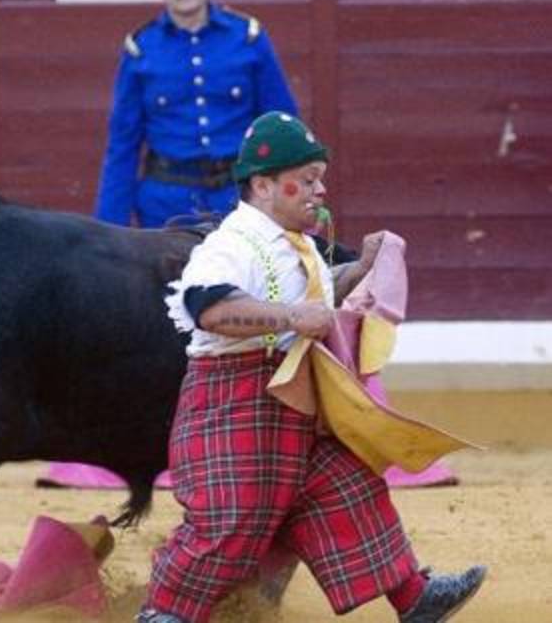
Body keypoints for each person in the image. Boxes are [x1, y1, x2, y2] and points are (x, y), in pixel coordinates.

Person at [137, 111, 487, 623]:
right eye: (305, 180)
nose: (319, 191)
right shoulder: (231, 244)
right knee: (233, 517)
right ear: (262, 185)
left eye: (319, 178)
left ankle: (414, 596)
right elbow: (206, 306)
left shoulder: (297, 244)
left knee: (346, 487)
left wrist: (359, 271)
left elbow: (313, 297)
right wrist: (288, 317)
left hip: (293, 402)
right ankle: (165, 614)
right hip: (233, 403)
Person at [94, 0, 298, 229]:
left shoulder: (247, 37)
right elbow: (122, 146)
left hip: (240, 199)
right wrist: (109, 229)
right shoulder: (141, 49)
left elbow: (282, 126)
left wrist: (290, 202)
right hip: (166, 205)